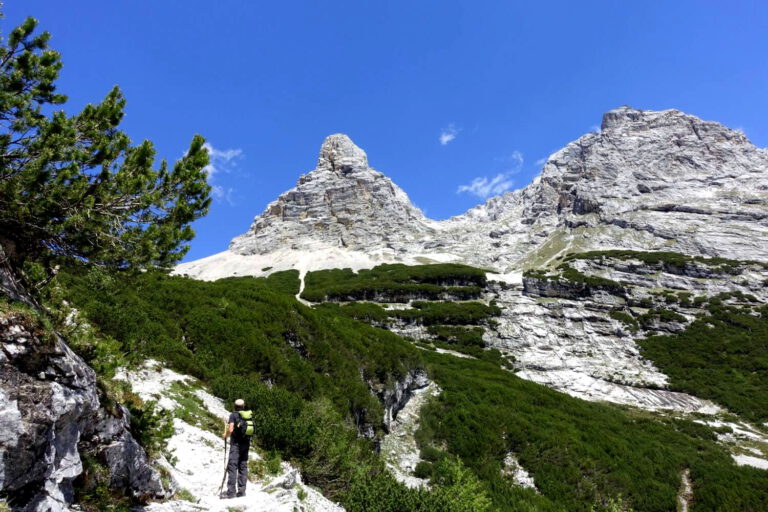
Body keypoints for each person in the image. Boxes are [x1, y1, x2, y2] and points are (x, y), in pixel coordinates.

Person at [221, 398, 254, 499]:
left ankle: (231, 492)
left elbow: (230, 429)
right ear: (244, 406)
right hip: (246, 444)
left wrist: (225, 435)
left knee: (233, 466)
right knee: (243, 466)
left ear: (235, 406)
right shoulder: (248, 415)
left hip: (236, 444)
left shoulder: (233, 415)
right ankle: (242, 491)